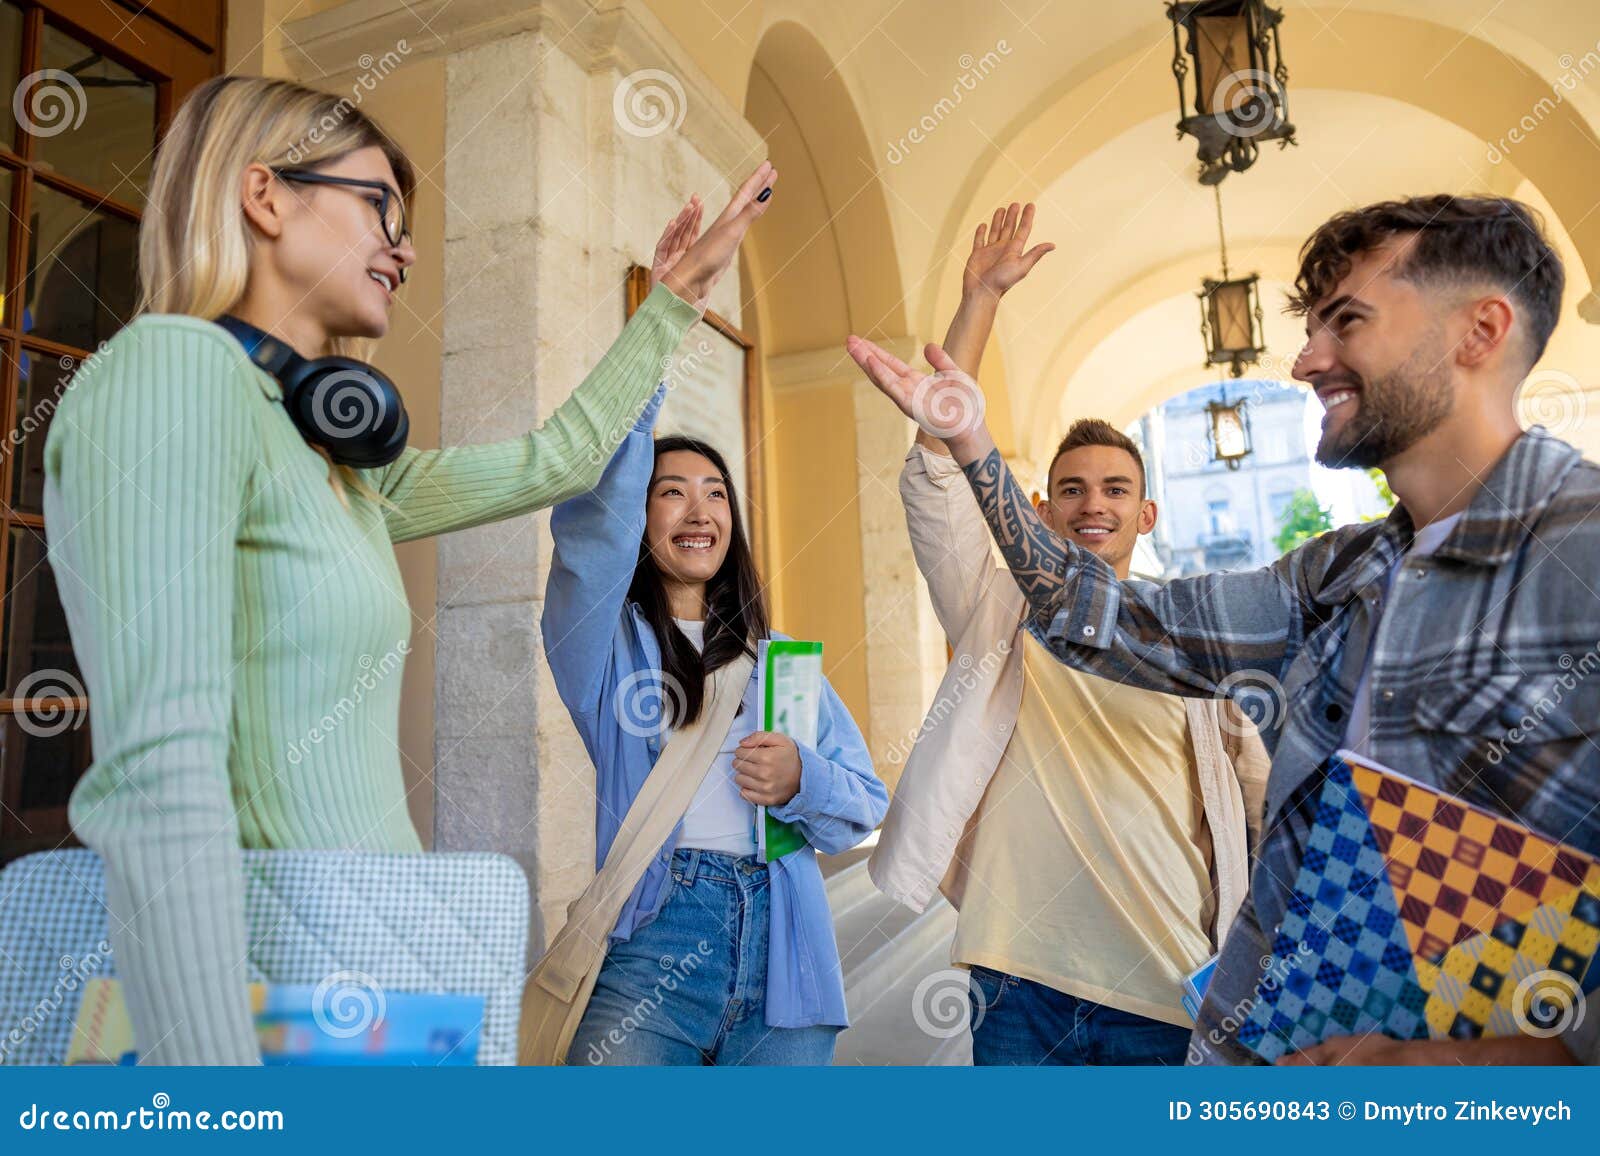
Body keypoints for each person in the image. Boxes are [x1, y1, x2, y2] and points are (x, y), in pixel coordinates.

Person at [43, 74, 774, 1065]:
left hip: (366, 994)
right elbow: (157, 780)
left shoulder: (336, 462)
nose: (407, 246)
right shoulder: (173, 373)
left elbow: (554, 460)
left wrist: (674, 301)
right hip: (258, 1020)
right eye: (379, 206)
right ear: (265, 197)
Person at [848, 194, 1600, 1066]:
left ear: (1480, 331)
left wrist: (1511, 1058)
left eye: (1346, 322)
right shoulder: (1337, 574)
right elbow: (1108, 618)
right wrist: (972, 438)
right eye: (1312, 327)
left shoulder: (1580, 551)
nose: (1307, 361)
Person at [871, 204, 1268, 1065]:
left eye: (1117, 489)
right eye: (1074, 488)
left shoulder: (1190, 631)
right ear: (1041, 508)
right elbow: (940, 471)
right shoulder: (999, 603)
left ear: (1146, 512)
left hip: (1168, 978)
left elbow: (1259, 802)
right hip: (1018, 978)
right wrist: (979, 300)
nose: (1095, 504)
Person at [541, 381, 889, 1065]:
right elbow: (586, 550)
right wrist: (629, 419)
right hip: (653, 941)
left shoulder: (781, 662)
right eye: (671, 492)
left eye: (716, 493)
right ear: (637, 518)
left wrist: (801, 779)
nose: (698, 509)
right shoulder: (604, 646)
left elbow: (865, 803)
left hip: (788, 959)